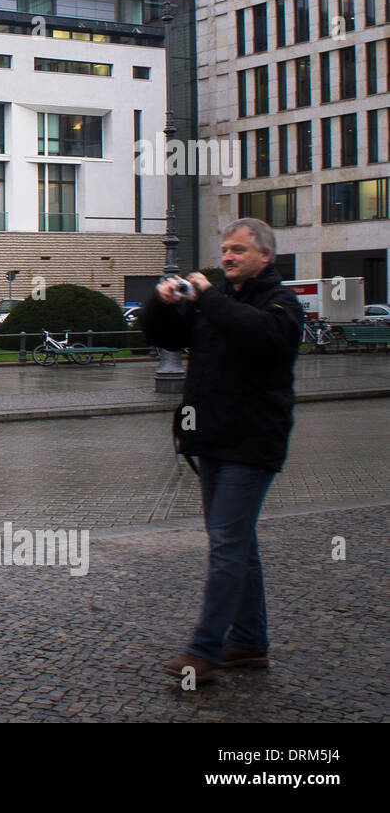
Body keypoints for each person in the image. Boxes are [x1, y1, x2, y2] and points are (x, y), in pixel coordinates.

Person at [141, 218, 304, 684]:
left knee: (228, 546)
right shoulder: (218, 304)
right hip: (212, 440)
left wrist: (207, 296)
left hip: (251, 444)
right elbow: (164, 337)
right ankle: (249, 642)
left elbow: (259, 336)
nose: (228, 256)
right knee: (238, 543)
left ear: (265, 256)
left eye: (238, 250)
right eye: (225, 249)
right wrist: (161, 301)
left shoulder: (280, 303)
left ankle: (204, 650)